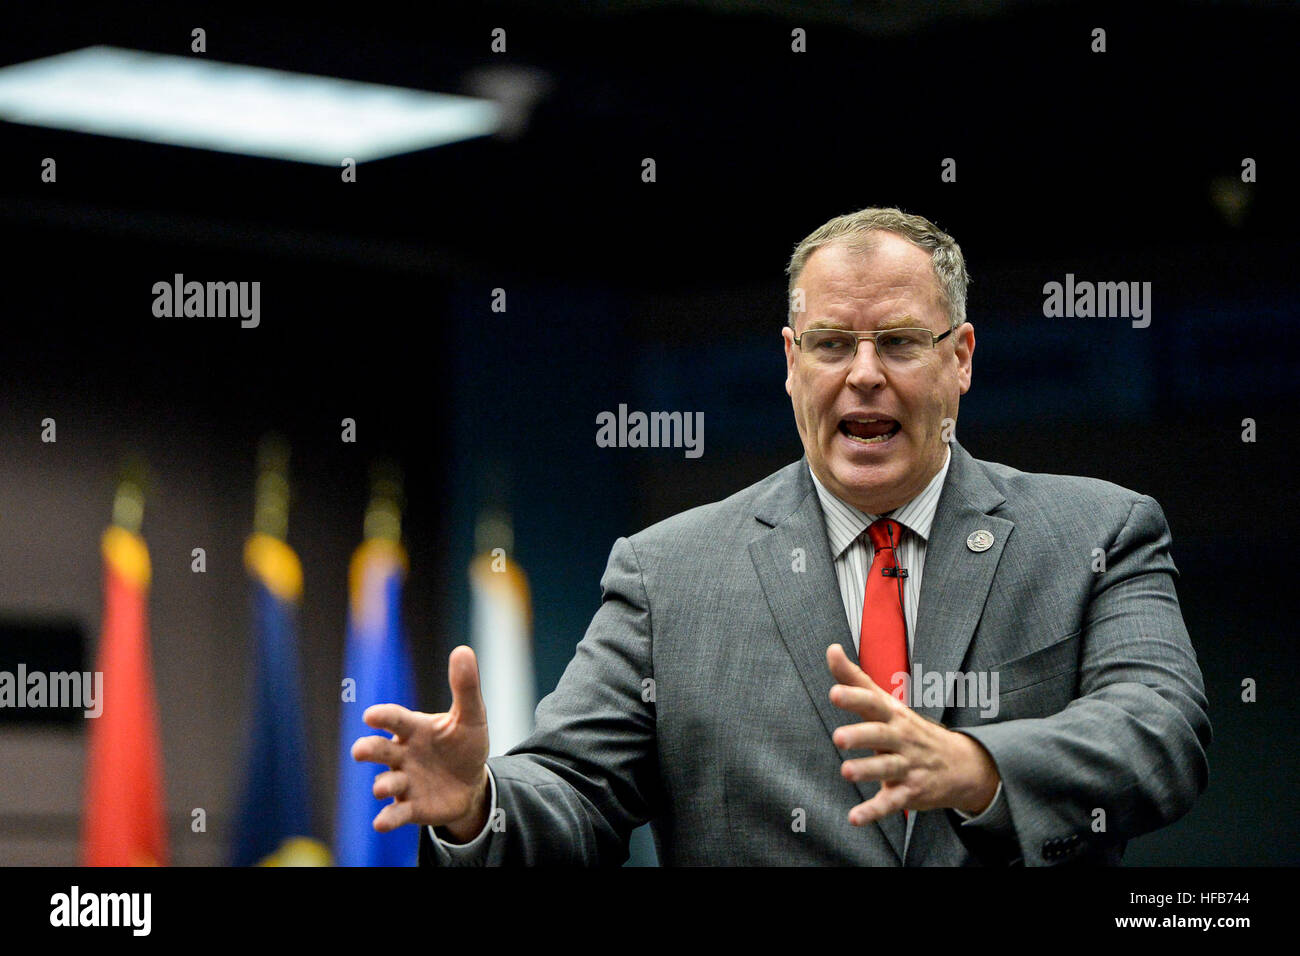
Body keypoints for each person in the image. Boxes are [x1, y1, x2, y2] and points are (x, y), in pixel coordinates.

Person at [352, 207, 1210, 865]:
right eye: (833, 344)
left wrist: (979, 765)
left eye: (902, 342)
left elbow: (1159, 731)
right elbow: (574, 789)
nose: (864, 373)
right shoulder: (668, 576)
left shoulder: (1097, 530)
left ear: (963, 359)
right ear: (793, 362)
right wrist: (479, 801)